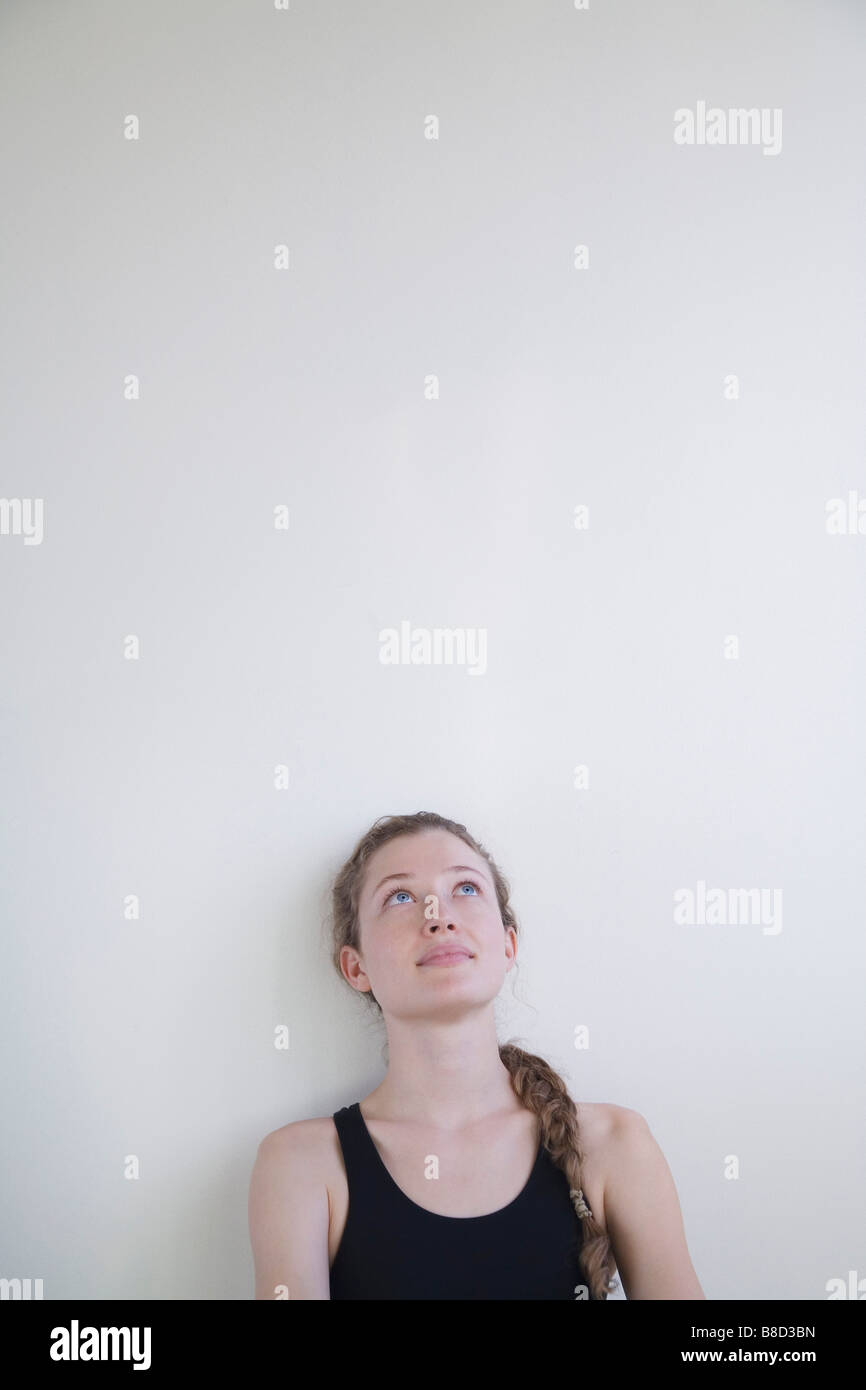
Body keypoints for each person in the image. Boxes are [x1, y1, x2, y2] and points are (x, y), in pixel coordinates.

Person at [248, 811, 706, 1300]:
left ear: (507, 945)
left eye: (464, 889)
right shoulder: (302, 1165)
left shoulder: (615, 1144)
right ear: (356, 967)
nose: (438, 916)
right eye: (400, 897)